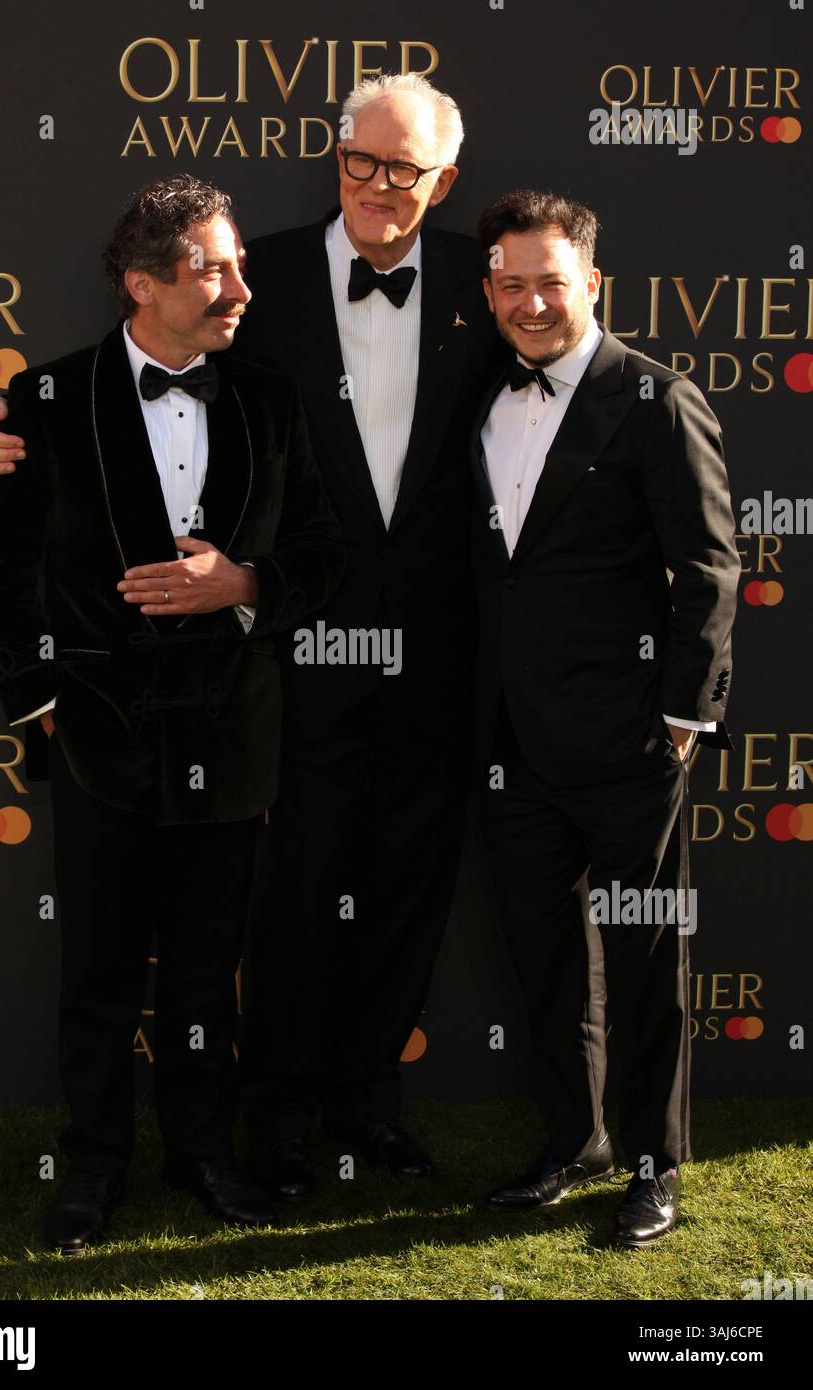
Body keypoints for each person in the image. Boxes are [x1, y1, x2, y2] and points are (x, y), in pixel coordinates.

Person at [0, 74, 504, 1198]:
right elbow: (40, 510)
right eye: (355, 159)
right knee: (247, 918)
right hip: (257, 684)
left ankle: (355, 1116)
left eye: (399, 170)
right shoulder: (246, 279)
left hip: (411, 657)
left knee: (385, 898)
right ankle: (231, 1136)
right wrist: (4, 425)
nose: (371, 184)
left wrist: (249, 582)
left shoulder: (480, 286)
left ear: (440, 182)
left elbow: (564, 377)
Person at [0, 176, 343, 1252]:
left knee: (200, 969)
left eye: (238, 266)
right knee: (95, 973)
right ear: (142, 284)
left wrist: (245, 583)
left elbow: (319, 555)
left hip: (230, 738)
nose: (238, 288)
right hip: (97, 743)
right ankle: (91, 1166)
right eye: (213, 269)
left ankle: (200, 1149)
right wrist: (40, 705)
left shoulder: (269, 401)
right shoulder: (42, 403)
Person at [472, 189, 740, 1247]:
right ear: (488, 290)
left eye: (550, 282)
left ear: (592, 284)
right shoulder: (482, 398)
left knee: (642, 966)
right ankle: (570, 1141)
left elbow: (711, 568)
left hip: (627, 740)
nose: (530, 302)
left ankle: (650, 1166)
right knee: (545, 958)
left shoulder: (652, 397)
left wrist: (680, 718)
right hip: (509, 742)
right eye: (509, 283)